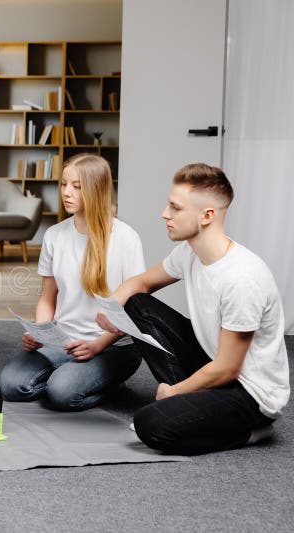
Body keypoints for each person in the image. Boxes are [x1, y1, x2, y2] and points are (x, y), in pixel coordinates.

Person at [97, 163, 289, 455]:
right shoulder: (189, 251)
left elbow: (227, 368)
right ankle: (187, 404)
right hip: (214, 363)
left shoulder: (242, 279)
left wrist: (173, 392)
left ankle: (250, 432)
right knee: (137, 304)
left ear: (207, 215)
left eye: (175, 208)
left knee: (150, 425)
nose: (165, 214)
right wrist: (113, 309)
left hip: (249, 392)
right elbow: (142, 282)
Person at [0, 154, 145, 410]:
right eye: (64, 184)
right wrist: (39, 332)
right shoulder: (54, 236)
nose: (66, 192)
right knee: (11, 385)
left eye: (77, 187)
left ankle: (107, 384)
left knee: (61, 393)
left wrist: (97, 345)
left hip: (114, 346)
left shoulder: (125, 238)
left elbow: (132, 309)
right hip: (64, 341)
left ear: (96, 189)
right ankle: (72, 378)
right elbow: (47, 296)